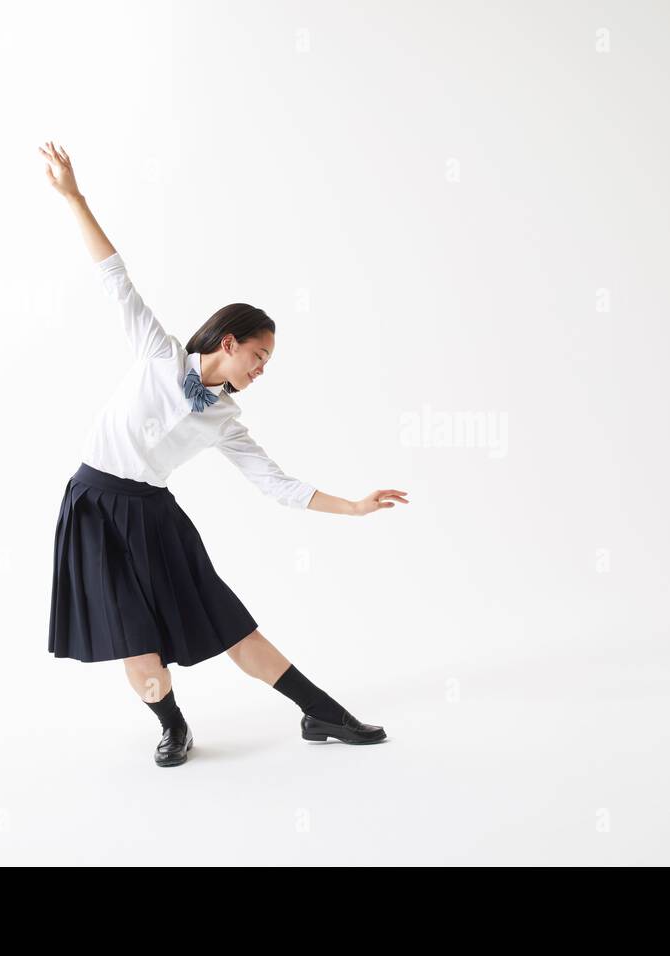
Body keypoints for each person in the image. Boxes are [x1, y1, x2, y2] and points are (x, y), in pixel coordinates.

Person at [38, 141, 408, 767]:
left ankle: (321, 712)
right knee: (135, 641)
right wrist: (75, 197)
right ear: (229, 342)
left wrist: (351, 506)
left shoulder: (227, 422)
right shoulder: (159, 352)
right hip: (95, 508)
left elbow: (275, 482)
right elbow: (114, 278)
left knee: (227, 620)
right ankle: (173, 726)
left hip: (155, 517)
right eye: (259, 357)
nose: (263, 370)